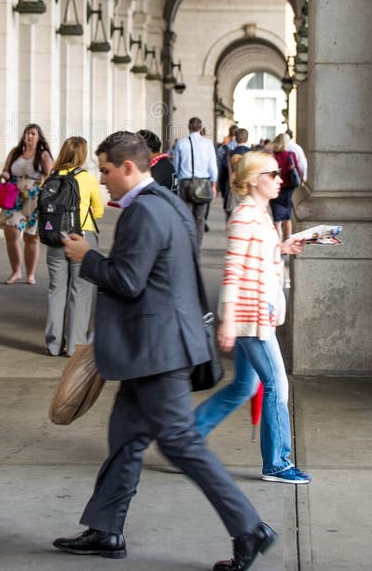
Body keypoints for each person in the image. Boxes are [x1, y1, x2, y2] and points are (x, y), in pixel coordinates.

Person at [53, 131, 276, 571]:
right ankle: (106, 528)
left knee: (180, 444)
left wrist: (87, 256)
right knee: (125, 438)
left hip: (159, 351)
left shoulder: (144, 213)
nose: (103, 181)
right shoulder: (167, 202)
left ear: (128, 168)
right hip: (153, 348)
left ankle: (249, 528)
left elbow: (129, 279)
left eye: (106, 171)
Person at [194, 150, 310, 486]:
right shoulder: (245, 216)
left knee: (245, 385)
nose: (279, 179)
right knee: (277, 385)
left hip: (258, 314)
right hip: (250, 317)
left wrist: (281, 248)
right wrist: (228, 320)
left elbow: (257, 256)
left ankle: (185, 437)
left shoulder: (259, 213)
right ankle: (276, 463)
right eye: (272, 174)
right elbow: (232, 271)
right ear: (253, 180)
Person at [45, 136, 104, 356]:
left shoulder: (51, 176)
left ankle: (53, 344)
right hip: (82, 236)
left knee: (56, 290)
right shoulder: (86, 178)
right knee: (80, 290)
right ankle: (74, 345)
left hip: (55, 239)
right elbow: (98, 210)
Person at [0, 123, 53, 284]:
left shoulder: (43, 156)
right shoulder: (15, 153)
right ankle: (16, 271)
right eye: (28, 133)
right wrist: (5, 174)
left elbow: (49, 176)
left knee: (31, 237)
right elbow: (6, 169)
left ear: (38, 137)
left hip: (34, 201)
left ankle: (30, 273)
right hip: (13, 197)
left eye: (33, 134)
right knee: (11, 232)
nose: (29, 136)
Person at [174, 117, 218, 248]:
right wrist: (214, 185)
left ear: (189, 127)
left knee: (185, 217)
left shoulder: (181, 143)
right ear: (200, 128)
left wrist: (176, 185)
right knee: (200, 219)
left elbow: (176, 167)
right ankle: (196, 249)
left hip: (185, 183)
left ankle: (186, 247)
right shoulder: (208, 144)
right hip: (203, 183)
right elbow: (213, 167)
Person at [268, 132, 302, 240]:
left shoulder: (272, 155)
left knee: (277, 221)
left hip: (275, 189)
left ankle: (278, 246)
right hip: (288, 190)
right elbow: (298, 170)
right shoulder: (291, 155)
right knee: (287, 218)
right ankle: (287, 243)